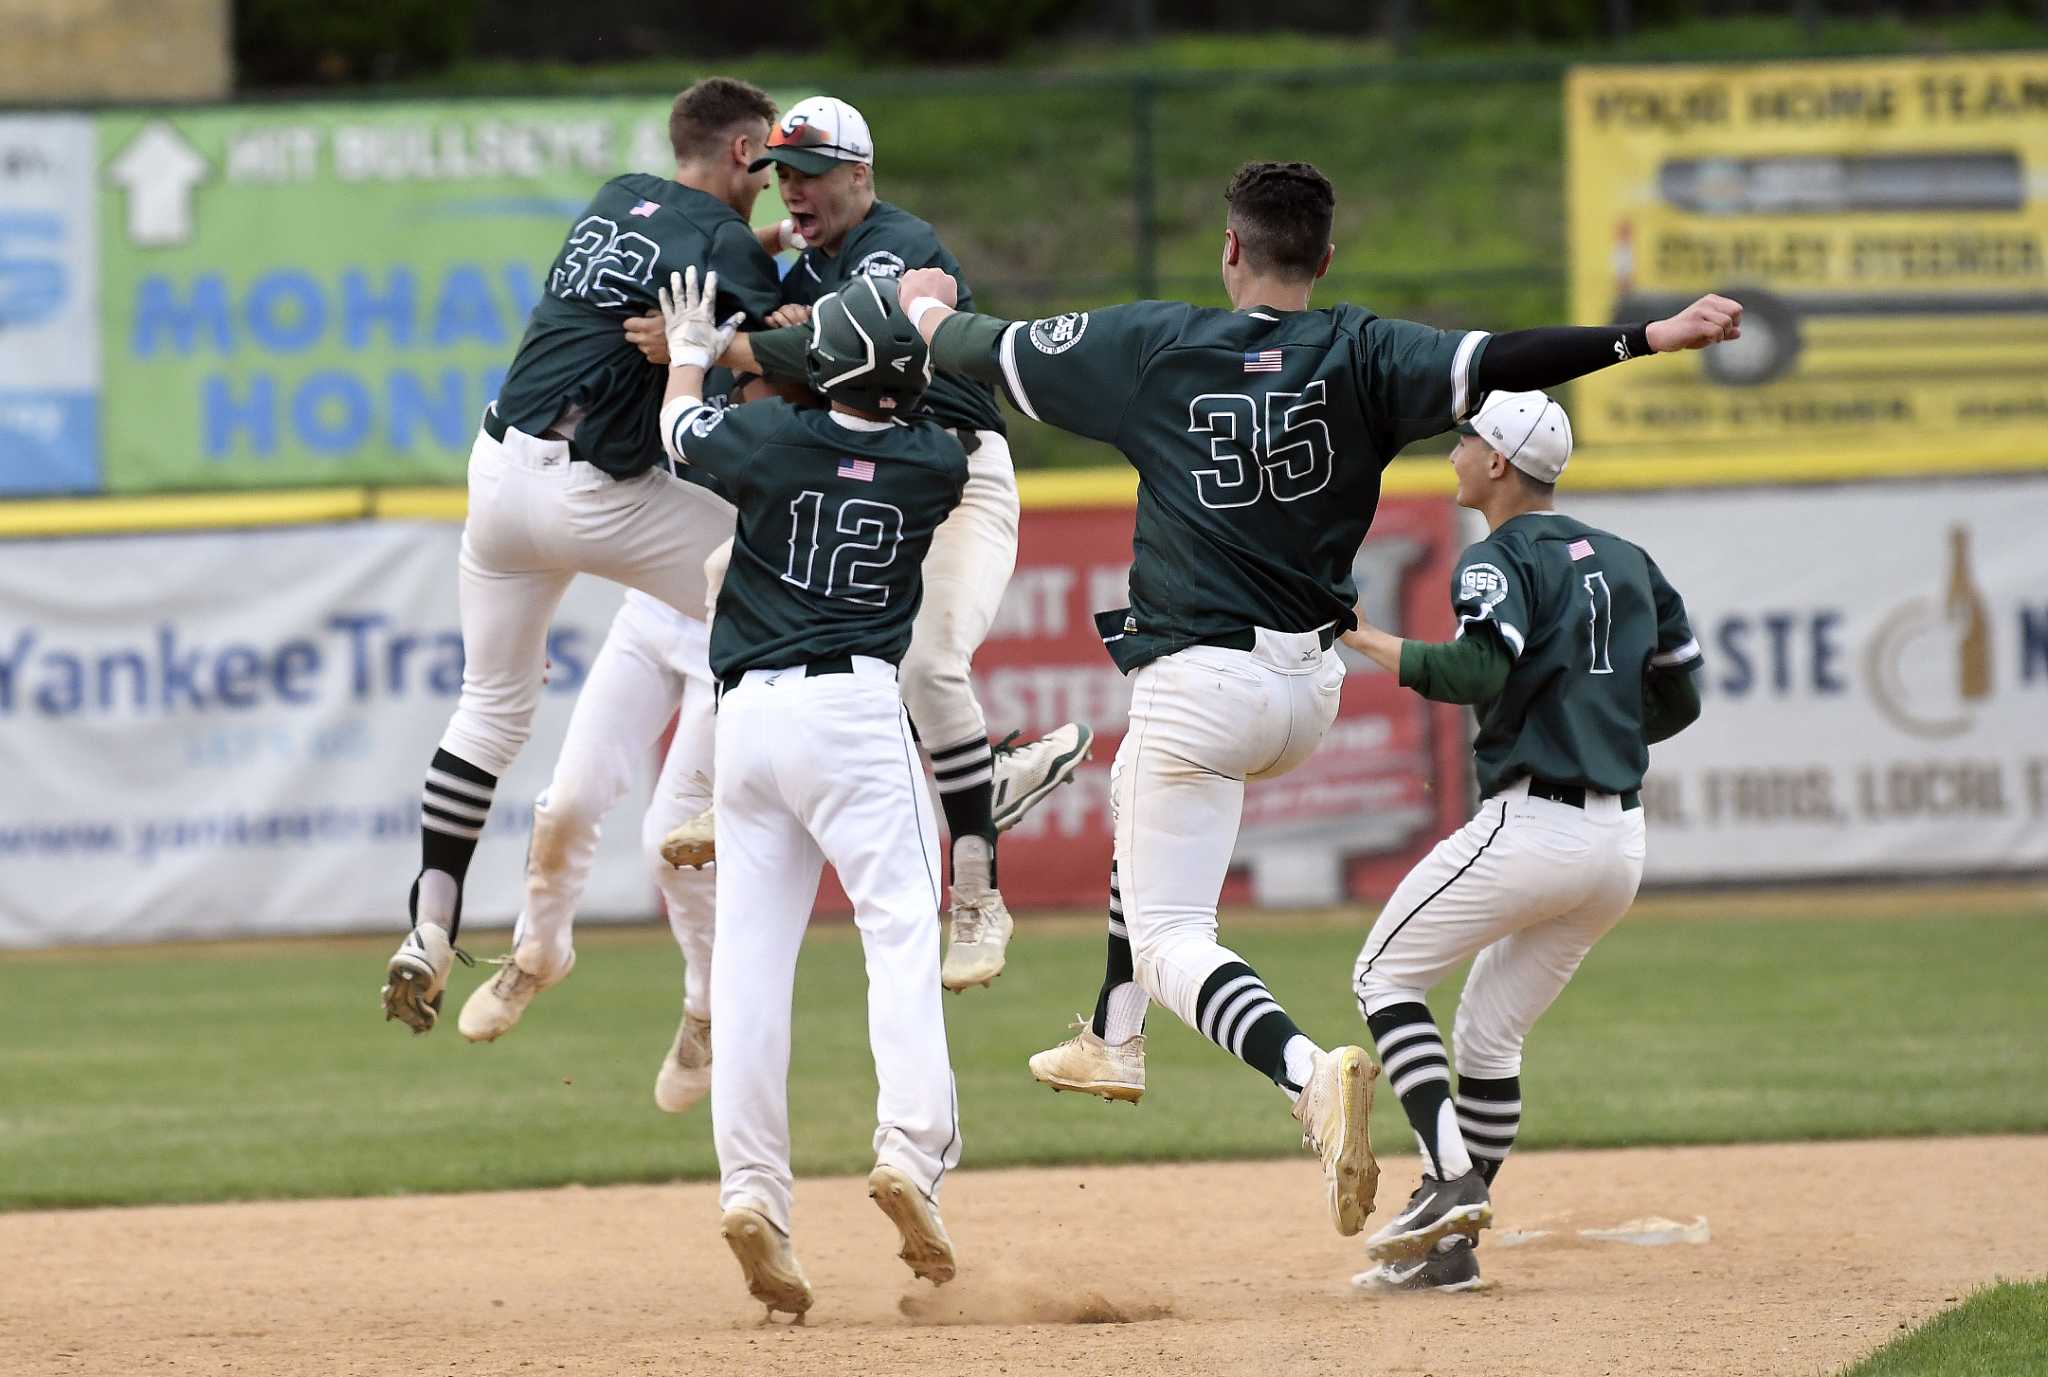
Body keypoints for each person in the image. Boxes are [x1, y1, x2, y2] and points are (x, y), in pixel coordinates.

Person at [891, 159, 1740, 1236]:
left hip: (1199, 680)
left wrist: (925, 313)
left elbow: (983, 348)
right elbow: (1506, 358)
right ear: (1325, 258)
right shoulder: (1368, 351)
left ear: (1230, 250)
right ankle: (1109, 1032)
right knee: (1137, 816)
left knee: (1169, 937)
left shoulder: (1152, 344)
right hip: (1306, 686)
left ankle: (1303, 1076)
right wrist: (1642, 338)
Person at [630, 95, 1092, 993]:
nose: (791, 190)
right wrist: (767, 341)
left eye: (810, 173)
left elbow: (844, 354)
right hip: (860, 471)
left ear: (860, 176)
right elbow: (798, 364)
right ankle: (981, 780)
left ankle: (978, 893)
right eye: (781, 173)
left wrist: (722, 346)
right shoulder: (803, 274)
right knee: (731, 569)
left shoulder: (897, 241)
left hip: (952, 478)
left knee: (925, 668)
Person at [377, 78, 787, 1034]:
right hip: (598, 493)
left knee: (488, 709)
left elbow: (697, 266)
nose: (770, 182)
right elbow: (779, 349)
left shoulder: (614, 196)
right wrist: (726, 334)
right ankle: (738, 799)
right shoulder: (725, 238)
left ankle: (430, 922)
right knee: (770, 592)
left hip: (496, 479)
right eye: (765, 160)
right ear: (739, 152)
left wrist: (737, 283)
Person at [1345, 389, 1702, 1293]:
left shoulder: (1496, 557)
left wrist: (1359, 634)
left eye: (1467, 438)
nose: (1456, 449)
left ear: (1498, 463)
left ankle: (1448, 1181)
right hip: (1618, 844)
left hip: (1533, 823)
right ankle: (1449, 1249)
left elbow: (1473, 670)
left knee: (1383, 975)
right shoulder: (1629, 559)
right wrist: (1600, 735)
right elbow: (1682, 696)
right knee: (1490, 1038)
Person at [658, 268, 965, 1319]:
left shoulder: (769, 442)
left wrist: (695, 347)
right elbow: (921, 401)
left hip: (746, 723)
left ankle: (752, 1194)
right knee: (896, 940)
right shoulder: (935, 463)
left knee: (749, 963)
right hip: (853, 715)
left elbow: (678, 432)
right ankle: (909, 1156)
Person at [452, 589, 719, 1113]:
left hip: (741, 629)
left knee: (674, 847)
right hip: (652, 612)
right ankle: (538, 955)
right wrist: (522, 628)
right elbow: (564, 523)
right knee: (567, 804)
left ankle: (706, 1014)